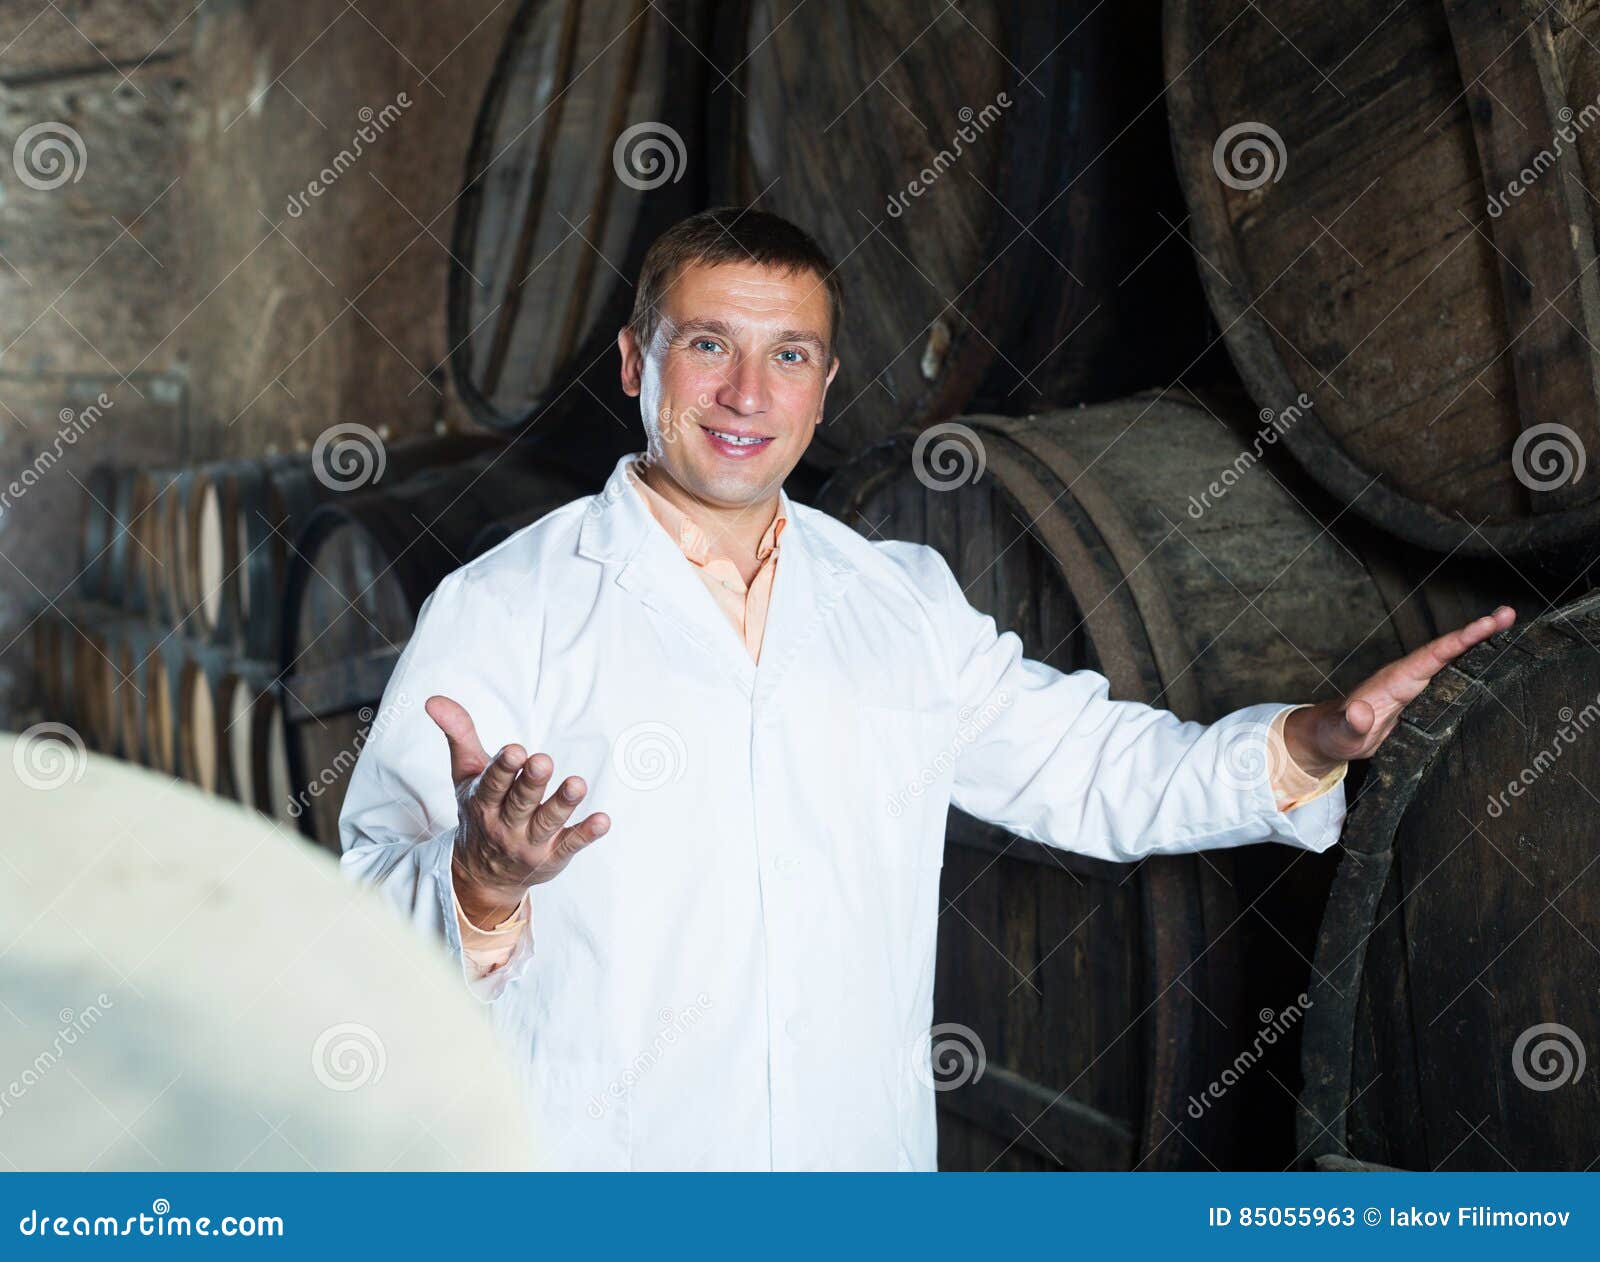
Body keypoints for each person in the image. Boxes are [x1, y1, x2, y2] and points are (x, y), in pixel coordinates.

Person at [339, 207, 1515, 1171]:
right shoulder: (504, 606)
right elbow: (360, 927)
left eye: (787, 355)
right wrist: (478, 883)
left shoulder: (896, 598)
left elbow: (1092, 767)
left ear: (825, 380)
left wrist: (1311, 739)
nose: (748, 392)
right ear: (636, 361)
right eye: (709, 344)